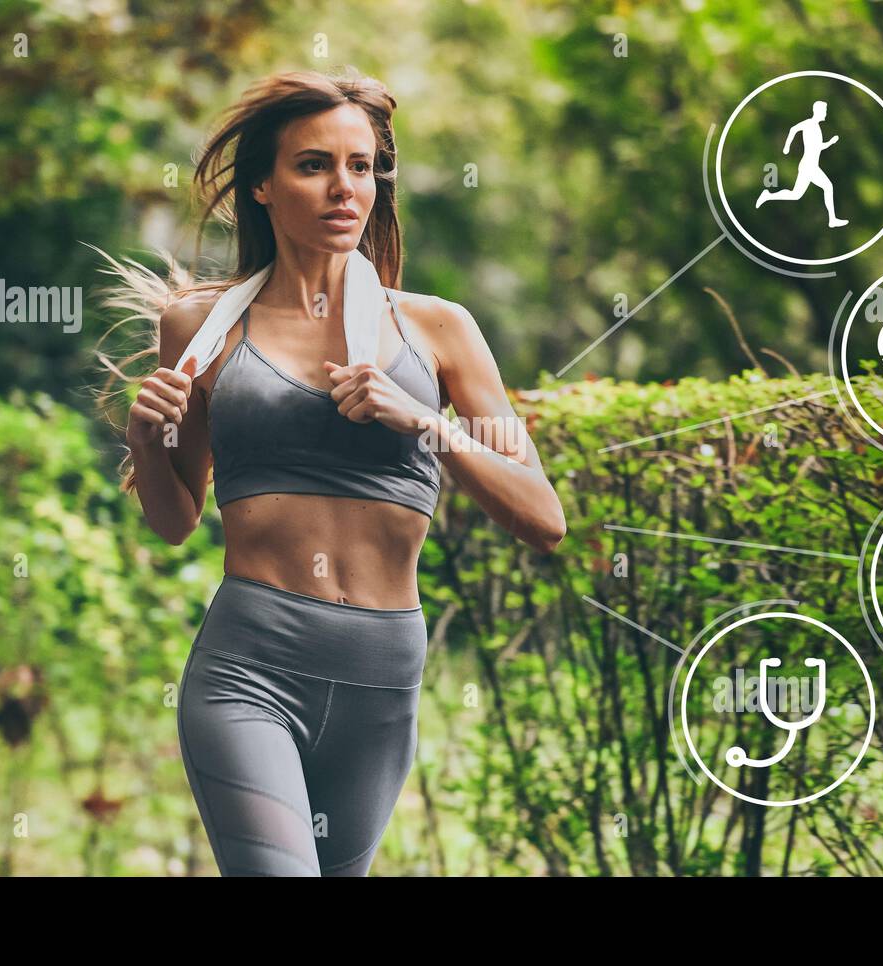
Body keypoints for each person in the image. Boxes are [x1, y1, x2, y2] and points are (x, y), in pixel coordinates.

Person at [93, 68, 566, 875]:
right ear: (264, 189)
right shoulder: (199, 328)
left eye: (362, 166)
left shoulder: (439, 329)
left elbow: (543, 516)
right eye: (314, 165)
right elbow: (174, 524)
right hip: (251, 668)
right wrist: (145, 439)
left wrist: (423, 423)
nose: (344, 187)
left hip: (382, 679)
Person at [754, 99, 848, 228]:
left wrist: (830, 143)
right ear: (818, 111)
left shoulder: (816, 127)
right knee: (827, 187)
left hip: (811, 166)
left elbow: (817, 147)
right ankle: (832, 219)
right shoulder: (809, 124)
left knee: (796, 194)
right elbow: (794, 129)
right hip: (809, 166)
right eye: (824, 111)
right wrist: (787, 146)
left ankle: (768, 196)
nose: (825, 113)